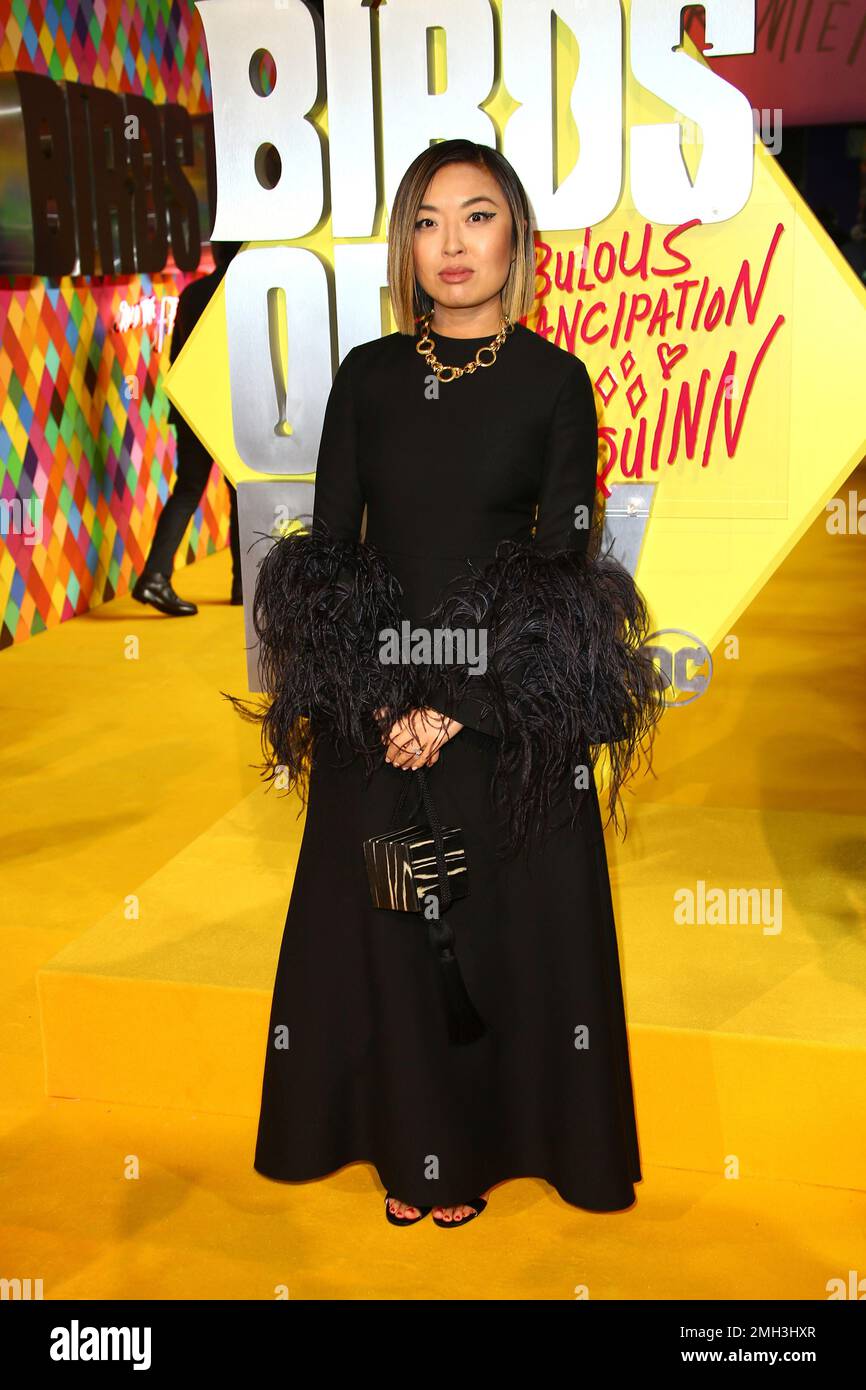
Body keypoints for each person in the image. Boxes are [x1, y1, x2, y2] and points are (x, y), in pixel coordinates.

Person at [226, 140, 666, 1227]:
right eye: (427, 221)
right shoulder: (367, 376)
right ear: (404, 244)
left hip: (504, 708)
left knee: (496, 928)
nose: (453, 243)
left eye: (476, 216)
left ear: (514, 233)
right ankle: (415, 1157)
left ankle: (490, 1151)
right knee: (389, 918)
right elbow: (330, 553)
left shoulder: (553, 381)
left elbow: (562, 567)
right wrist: (379, 694)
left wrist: (457, 705)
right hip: (376, 704)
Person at [133, 240, 243, 616]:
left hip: (193, 410)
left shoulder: (193, 293)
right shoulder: (244, 291)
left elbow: (176, 358)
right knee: (241, 494)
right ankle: (244, 586)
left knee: (188, 490)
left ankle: (155, 575)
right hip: (231, 410)